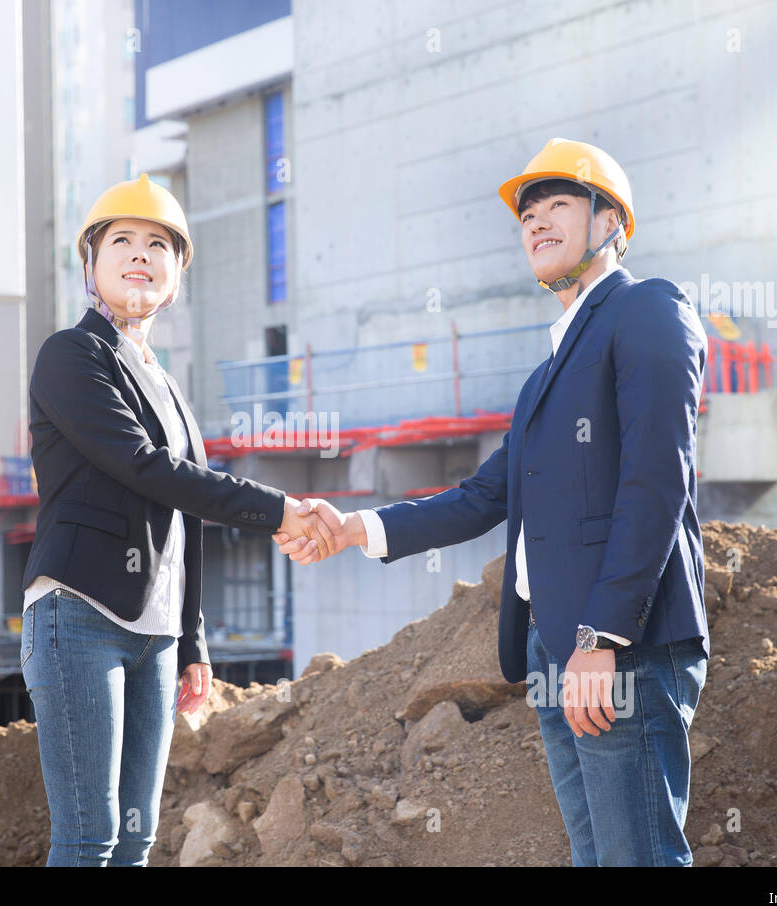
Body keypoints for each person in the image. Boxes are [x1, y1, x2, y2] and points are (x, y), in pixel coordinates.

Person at [274, 139, 711, 866]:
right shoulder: (544, 378)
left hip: (615, 648)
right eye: (527, 214)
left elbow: (656, 481)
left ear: (612, 221)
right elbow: (483, 497)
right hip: (552, 649)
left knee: (639, 859)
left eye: (559, 205)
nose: (536, 222)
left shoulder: (647, 310)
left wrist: (602, 637)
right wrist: (356, 528)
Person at [21, 172, 342, 866]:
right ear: (89, 264)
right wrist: (282, 508)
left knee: (136, 838)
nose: (142, 254)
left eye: (159, 244)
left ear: (175, 274)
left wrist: (191, 640)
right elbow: (146, 468)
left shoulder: (166, 385)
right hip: (79, 616)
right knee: (88, 835)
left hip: (155, 637)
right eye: (123, 241)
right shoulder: (72, 356)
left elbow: (182, 520)